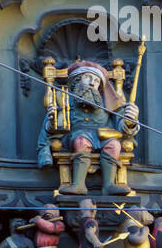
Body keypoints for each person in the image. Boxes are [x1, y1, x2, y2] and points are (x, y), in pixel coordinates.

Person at [37, 60, 140, 196]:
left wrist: (130, 121)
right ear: (76, 80)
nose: (92, 83)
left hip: (104, 136)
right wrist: (52, 120)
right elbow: (53, 128)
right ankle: (78, 184)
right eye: (88, 78)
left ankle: (109, 185)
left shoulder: (108, 102)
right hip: (76, 135)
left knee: (114, 145)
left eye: (97, 81)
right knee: (81, 141)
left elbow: (122, 125)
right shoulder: (64, 98)